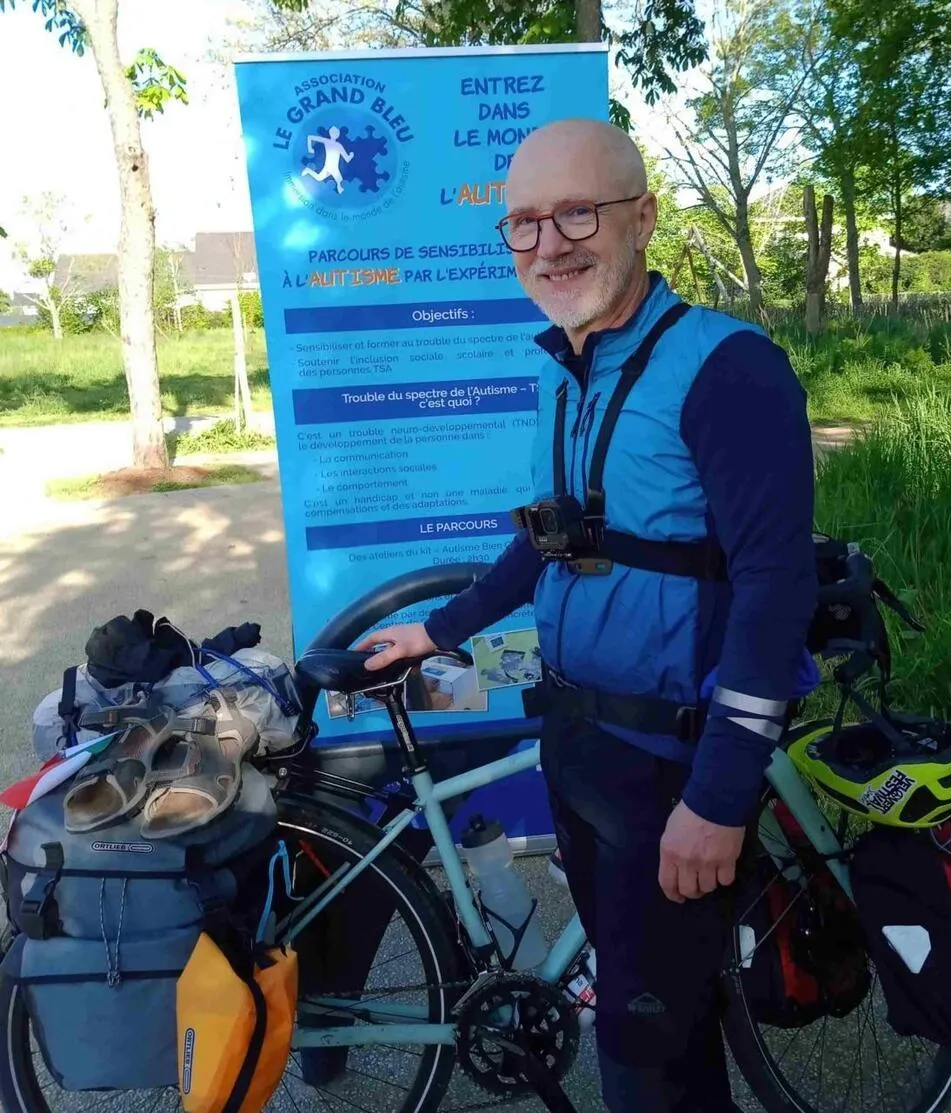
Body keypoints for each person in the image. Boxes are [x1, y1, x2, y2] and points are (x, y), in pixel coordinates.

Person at [356, 117, 819, 1112]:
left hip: (671, 769)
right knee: (655, 1015)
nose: (549, 244)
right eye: (524, 222)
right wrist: (441, 629)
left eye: (578, 213)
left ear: (642, 218)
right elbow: (552, 536)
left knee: (642, 1047)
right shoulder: (564, 368)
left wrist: (720, 798)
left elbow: (776, 588)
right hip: (576, 741)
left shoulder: (728, 368)